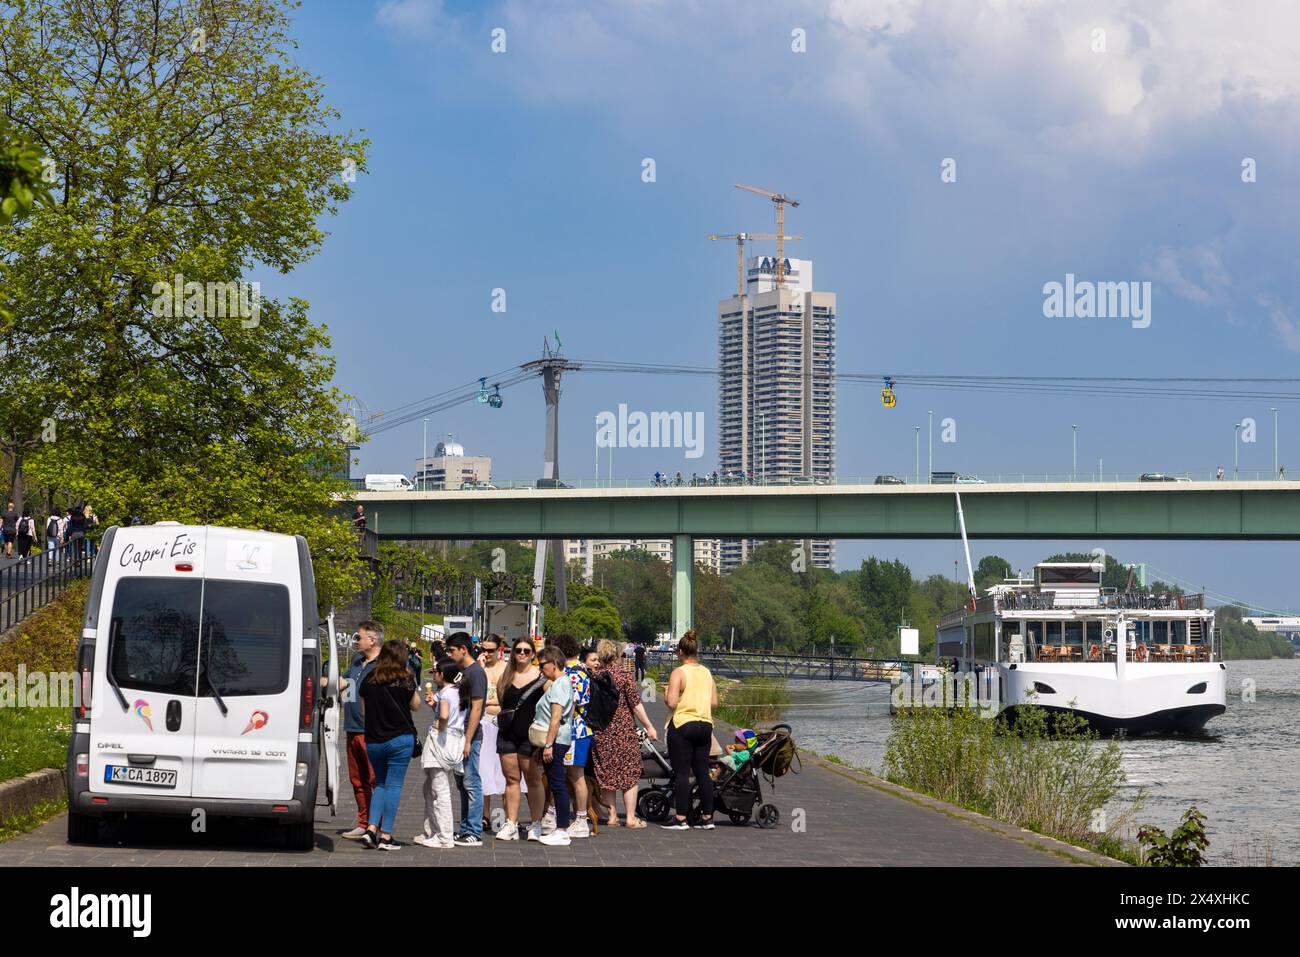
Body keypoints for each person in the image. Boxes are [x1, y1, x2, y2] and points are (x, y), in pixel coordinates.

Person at [359, 639, 421, 849]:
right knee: (393, 785)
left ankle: (371, 828)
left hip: (374, 740)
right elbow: (416, 706)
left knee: (380, 784)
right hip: (399, 739)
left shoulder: (369, 679)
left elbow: (364, 712)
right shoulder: (406, 678)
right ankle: (386, 836)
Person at [591, 639, 658, 828]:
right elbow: (636, 704)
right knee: (629, 773)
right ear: (615, 656)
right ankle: (630, 817)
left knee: (607, 774)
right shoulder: (624, 676)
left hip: (601, 731)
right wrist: (649, 726)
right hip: (624, 730)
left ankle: (612, 817)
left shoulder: (595, 677)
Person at [662, 629, 717, 830]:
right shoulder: (706, 672)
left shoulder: (679, 672)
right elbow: (714, 702)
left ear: (680, 652)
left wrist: (666, 694)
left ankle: (681, 818)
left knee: (683, 772)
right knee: (703, 771)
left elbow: (672, 703)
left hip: (684, 724)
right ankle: (707, 818)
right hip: (705, 724)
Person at [493, 637, 543, 841]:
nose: (522, 654)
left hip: (530, 736)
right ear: (512, 652)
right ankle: (511, 823)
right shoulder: (506, 675)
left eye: (526, 651)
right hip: (507, 733)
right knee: (511, 779)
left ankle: (536, 823)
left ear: (533, 654)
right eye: (518, 650)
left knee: (533, 780)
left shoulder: (541, 678)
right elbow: (501, 701)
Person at [338, 621, 384, 840]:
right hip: (351, 727)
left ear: (372, 640)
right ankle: (363, 822)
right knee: (357, 780)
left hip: (372, 731)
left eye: (359, 637)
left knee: (375, 779)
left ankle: (378, 825)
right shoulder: (357, 660)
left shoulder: (384, 664)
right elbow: (344, 682)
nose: (355, 641)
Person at [416, 661, 467, 848]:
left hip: (441, 741)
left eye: (435, 672)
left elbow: (444, 716)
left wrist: (440, 723)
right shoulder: (457, 691)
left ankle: (444, 836)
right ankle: (432, 831)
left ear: (442, 675)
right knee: (429, 788)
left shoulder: (445, 693)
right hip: (454, 741)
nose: (433, 675)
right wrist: (434, 708)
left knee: (439, 789)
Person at [530, 646, 574, 846]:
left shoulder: (559, 684)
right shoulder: (560, 683)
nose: (541, 670)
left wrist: (548, 745)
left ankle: (562, 830)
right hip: (554, 740)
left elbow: (556, 718)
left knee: (557, 785)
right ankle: (561, 828)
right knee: (556, 783)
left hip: (556, 740)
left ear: (554, 664)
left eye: (542, 665)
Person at [445, 632, 486, 846]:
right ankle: (465, 829)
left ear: (463, 649)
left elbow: (477, 707)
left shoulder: (476, 673)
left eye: (452, 650)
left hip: (470, 735)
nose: (449, 655)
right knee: (462, 784)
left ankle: (474, 831)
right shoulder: (464, 672)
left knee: (471, 783)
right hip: (459, 734)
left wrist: (468, 740)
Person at [553, 634, 592, 839]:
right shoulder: (578, 671)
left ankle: (581, 819)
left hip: (575, 731)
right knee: (569, 774)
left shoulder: (575, 674)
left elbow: (571, 704)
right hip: (574, 730)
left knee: (576, 775)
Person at [477, 634, 508, 831]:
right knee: (483, 769)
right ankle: (484, 814)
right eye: (484, 649)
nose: (486, 654)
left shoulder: (506, 669)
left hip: (503, 721)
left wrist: (493, 701)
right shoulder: (479, 669)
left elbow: (507, 698)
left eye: (490, 650)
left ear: (499, 650)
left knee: (506, 771)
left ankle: (506, 815)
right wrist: (479, 669)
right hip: (483, 720)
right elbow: (474, 694)